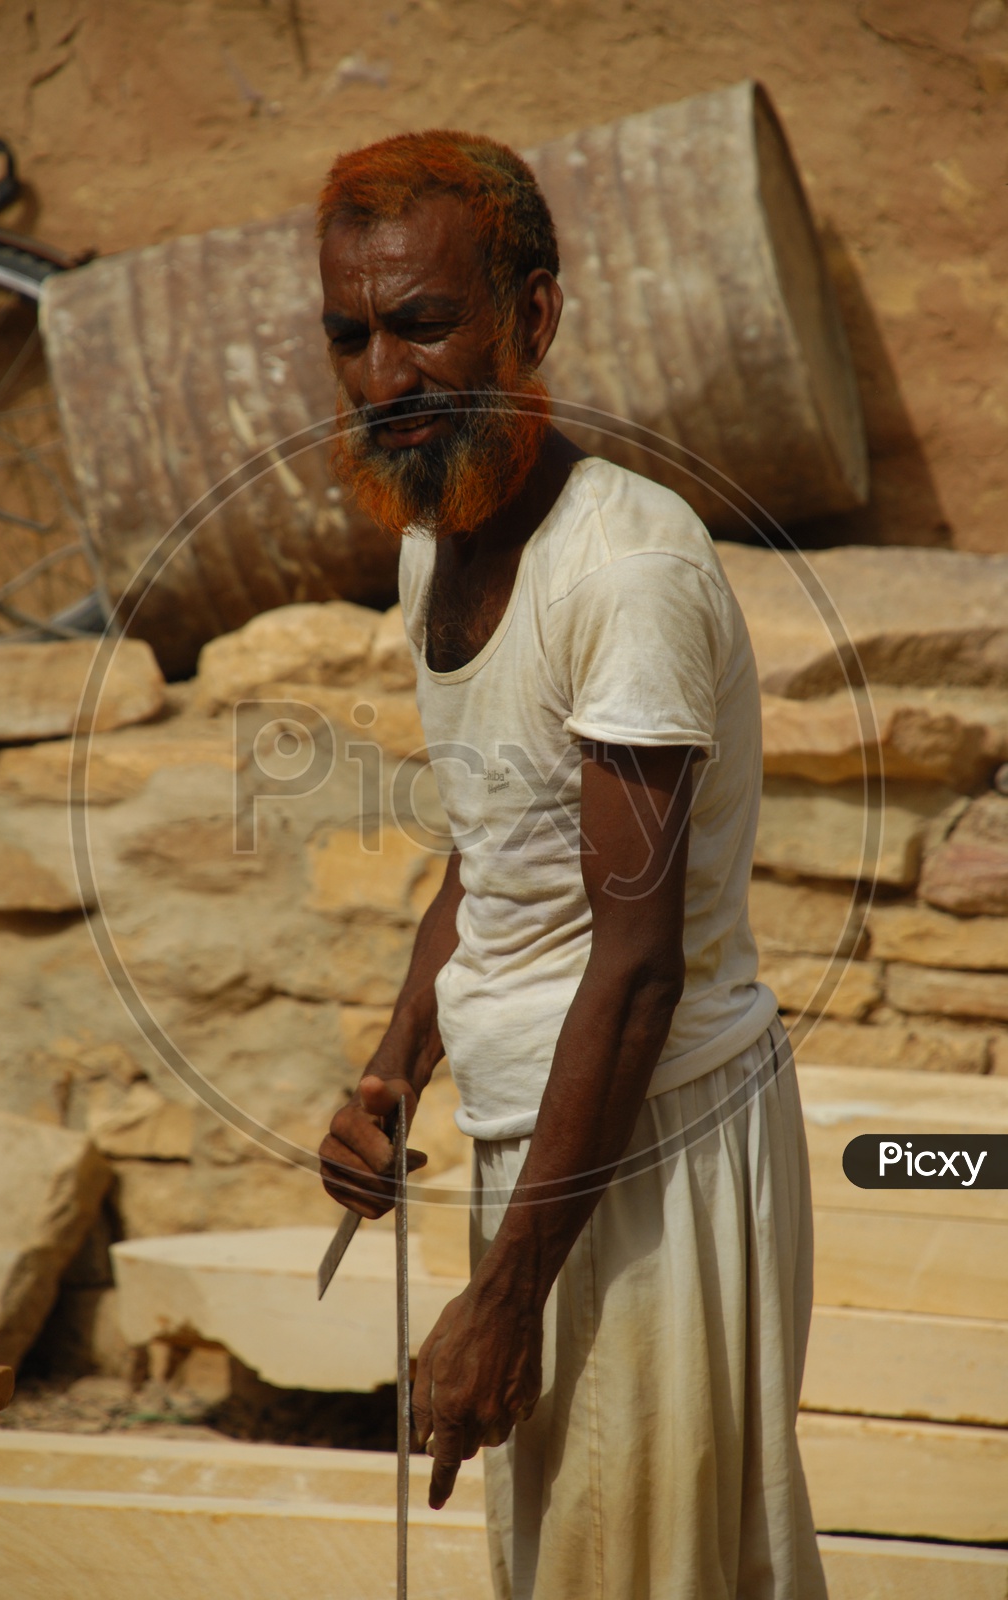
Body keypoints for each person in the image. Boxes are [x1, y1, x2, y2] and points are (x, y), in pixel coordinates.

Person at [316, 129, 828, 1600]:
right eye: (350, 335)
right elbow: (496, 853)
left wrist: (498, 1300)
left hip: (655, 1155)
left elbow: (641, 958)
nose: (383, 377)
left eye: (423, 324)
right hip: (536, 1151)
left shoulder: (628, 571)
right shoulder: (440, 539)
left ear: (531, 316)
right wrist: (393, 1073)